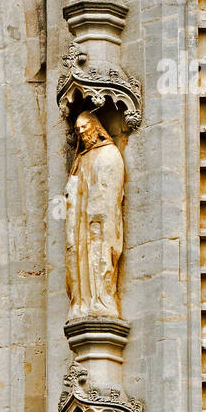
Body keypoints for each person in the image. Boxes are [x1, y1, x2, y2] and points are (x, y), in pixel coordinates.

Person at [65, 112, 124, 318]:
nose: (81, 132)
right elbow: (71, 189)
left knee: (100, 258)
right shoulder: (80, 158)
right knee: (77, 258)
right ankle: (81, 303)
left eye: (85, 127)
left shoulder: (109, 153)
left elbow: (111, 189)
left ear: (95, 126)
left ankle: (102, 300)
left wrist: (96, 208)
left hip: (98, 222)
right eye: (78, 129)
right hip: (80, 223)